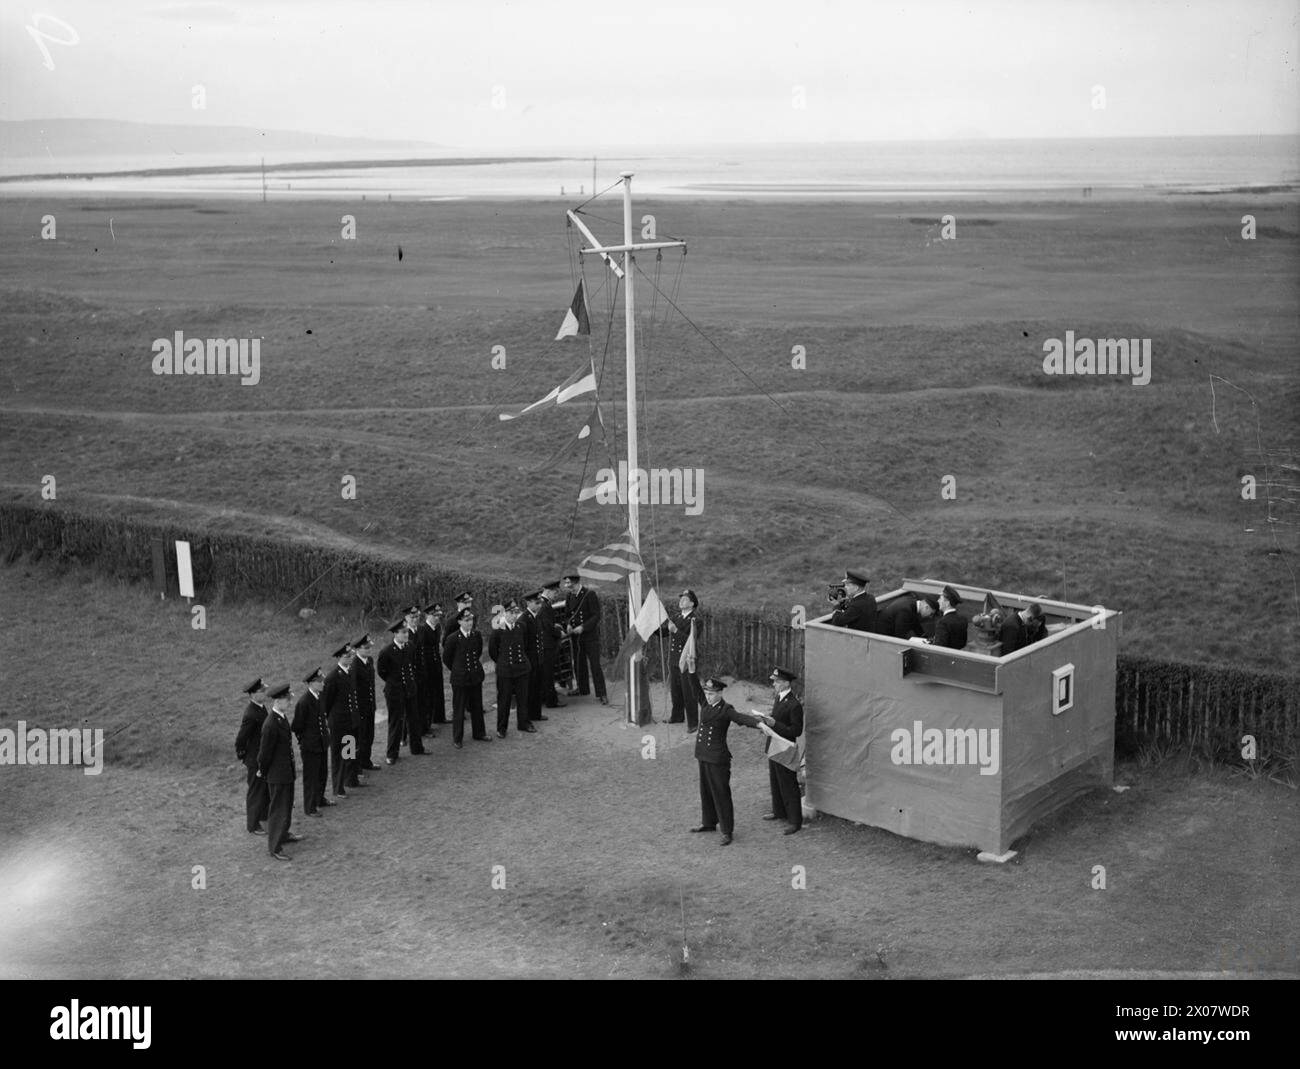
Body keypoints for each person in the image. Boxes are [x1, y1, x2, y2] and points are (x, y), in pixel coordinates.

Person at [690, 678, 762, 846]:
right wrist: (692, 671)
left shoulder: (725, 709)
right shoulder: (706, 704)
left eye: (712, 694)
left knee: (721, 794)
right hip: (703, 755)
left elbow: (740, 718)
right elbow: (694, 688)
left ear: (720, 693)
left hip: (717, 758)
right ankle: (708, 822)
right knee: (706, 791)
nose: (708, 697)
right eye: (707, 693)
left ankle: (727, 830)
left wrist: (758, 723)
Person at [256, 683, 303, 861]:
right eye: (287, 700)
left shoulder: (280, 718)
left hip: (286, 772)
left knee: (287, 806)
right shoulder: (270, 724)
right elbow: (264, 753)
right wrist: (263, 771)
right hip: (278, 775)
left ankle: (284, 834)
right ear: (278, 701)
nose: (289, 702)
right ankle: (275, 846)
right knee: (278, 810)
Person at [756, 667, 804, 834]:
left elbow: (796, 731)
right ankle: (779, 811)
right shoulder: (779, 698)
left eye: (776, 682)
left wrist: (774, 724)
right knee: (775, 779)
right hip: (775, 744)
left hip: (785, 746)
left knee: (788, 783)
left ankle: (794, 821)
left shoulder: (794, 705)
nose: (774, 684)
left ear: (785, 683)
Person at [378, 619, 424, 763]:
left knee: (414, 719)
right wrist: (394, 682)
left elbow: (413, 664)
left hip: (409, 689)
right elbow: (382, 672)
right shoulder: (386, 651)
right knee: (396, 722)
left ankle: (417, 748)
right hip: (395, 692)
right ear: (396, 634)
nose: (406, 635)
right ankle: (392, 754)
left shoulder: (410, 646)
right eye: (403, 632)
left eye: (407, 632)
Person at [443, 608, 489, 748]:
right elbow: (447, 658)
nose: (470, 623)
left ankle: (479, 732)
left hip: (474, 675)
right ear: (460, 622)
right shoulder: (452, 639)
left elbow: (478, 652)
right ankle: (458, 737)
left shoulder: (476, 635)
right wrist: (458, 669)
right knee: (459, 708)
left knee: (477, 705)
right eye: (467, 620)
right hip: (460, 678)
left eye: (471, 620)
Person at [489, 599, 535, 737]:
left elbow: (525, 645)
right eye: (511, 613)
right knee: (504, 700)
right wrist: (503, 662)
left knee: (523, 698)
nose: (514, 616)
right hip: (505, 671)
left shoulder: (521, 627)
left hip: (521, 668)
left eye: (516, 613)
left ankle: (524, 723)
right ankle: (501, 728)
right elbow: (493, 651)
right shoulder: (498, 631)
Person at [324, 644, 364, 795]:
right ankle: (338, 787)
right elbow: (327, 703)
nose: (350, 658)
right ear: (340, 658)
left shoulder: (350, 672)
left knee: (350, 752)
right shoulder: (333, 677)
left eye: (351, 656)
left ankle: (351, 779)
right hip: (339, 723)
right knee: (338, 756)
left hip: (350, 720)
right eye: (347, 656)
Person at [662, 589, 704, 731]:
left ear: (692, 604)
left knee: (689, 691)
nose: (681, 601)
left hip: (686, 659)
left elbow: (690, 641)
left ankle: (693, 723)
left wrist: (675, 631)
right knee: (676, 690)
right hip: (674, 659)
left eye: (685, 599)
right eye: (681, 599)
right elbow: (664, 632)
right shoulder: (676, 617)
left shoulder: (696, 621)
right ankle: (677, 716)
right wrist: (651, 629)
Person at [563, 573, 607, 704]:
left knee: (595, 665)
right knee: (578, 663)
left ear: (576, 583)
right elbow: (567, 615)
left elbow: (596, 615)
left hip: (590, 636)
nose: (569, 589)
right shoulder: (569, 596)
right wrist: (569, 624)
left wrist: (583, 627)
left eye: (570, 586)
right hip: (576, 637)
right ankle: (582, 688)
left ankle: (602, 693)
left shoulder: (589, 594)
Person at [291, 667, 330, 817]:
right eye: (320, 681)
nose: (322, 683)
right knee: (311, 778)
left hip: (321, 743)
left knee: (322, 773)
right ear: (312, 683)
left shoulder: (318, 697)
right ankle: (310, 807)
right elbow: (297, 726)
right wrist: (305, 741)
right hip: (310, 746)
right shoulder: (304, 702)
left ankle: (320, 799)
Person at [235, 678, 270, 835]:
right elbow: (241, 739)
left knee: (263, 789)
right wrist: (243, 755)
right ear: (253, 695)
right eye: (261, 691)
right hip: (254, 759)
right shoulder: (251, 713)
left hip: (261, 757)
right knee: (255, 791)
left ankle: (262, 816)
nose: (264, 693)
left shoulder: (261, 708)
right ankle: (252, 824)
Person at [402, 605, 431, 739]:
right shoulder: (404, 634)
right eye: (412, 617)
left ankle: (424, 728)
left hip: (422, 671)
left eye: (416, 617)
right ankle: (408, 732)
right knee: (411, 705)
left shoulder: (421, 630)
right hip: (411, 673)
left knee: (423, 700)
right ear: (406, 618)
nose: (414, 620)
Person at [351, 633, 379, 771]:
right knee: (359, 738)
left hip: (369, 706)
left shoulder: (369, 661)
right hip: (360, 709)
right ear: (358, 649)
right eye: (366, 648)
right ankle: (356, 766)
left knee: (369, 735)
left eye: (369, 647)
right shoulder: (355, 665)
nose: (369, 650)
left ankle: (366, 761)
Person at [522, 591, 550, 722]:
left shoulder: (536, 617)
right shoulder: (524, 619)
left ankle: (536, 714)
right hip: (529, 661)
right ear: (528, 603)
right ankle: (527, 716)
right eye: (536, 603)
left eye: (540, 603)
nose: (539, 605)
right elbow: (523, 644)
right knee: (529, 690)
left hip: (538, 659)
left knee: (537, 687)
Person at [538, 582, 566, 708]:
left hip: (545, 642)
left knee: (546, 673)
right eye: (555, 592)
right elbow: (547, 627)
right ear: (549, 591)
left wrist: (554, 626)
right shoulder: (544, 605)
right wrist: (560, 633)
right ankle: (551, 701)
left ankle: (545, 697)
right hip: (547, 644)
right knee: (548, 673)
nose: (556, 595)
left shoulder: (543, 603)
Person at [421, 604, 448, 725]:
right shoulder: (423, 629)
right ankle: (428, 721)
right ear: (427, 615)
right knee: (429, 694)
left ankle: (440, 717)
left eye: (438, 615)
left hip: (436, 663)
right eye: (434, 615)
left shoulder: (437, 628)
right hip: (427, 665)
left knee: (439, 691)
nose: (437, 618)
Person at [932, 585, 968, 650]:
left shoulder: (942, 622)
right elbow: (963, 643)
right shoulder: (963, 620)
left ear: (947, 603)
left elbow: (938, 648)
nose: (938, 601)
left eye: (940, 598)